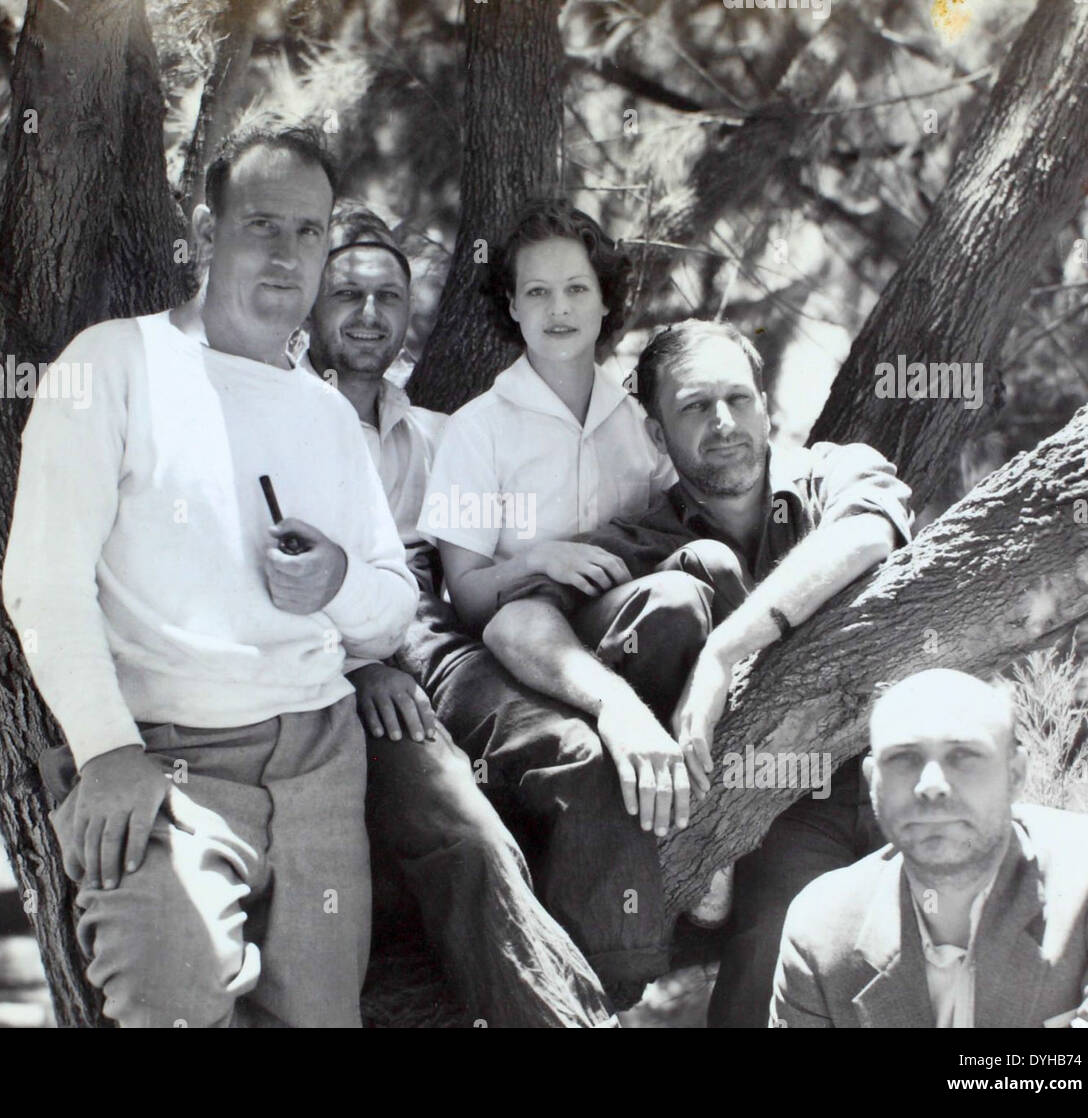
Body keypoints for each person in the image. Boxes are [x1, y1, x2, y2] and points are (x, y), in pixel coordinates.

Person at [1, 125, 417, 1028]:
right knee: (169, 1002)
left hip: (319, 764)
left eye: (309, 233)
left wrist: (337, 580)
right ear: (204, 228)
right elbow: (41, 578)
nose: (287, 255)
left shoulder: (325, 414)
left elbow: (391, 610)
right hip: (160, 766)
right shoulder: (114, 362)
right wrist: (107, 750)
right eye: (262, 225)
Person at [482, 317, 913, 1024]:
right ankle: (700, 843)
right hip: (770, 808)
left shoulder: (832, 472)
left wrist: (726, 651)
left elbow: (869, 530)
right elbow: (512, 622)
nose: (723, 422)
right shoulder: (646, 534)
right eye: (693, 407)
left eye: (738, 399)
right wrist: (615, 705)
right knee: (768, 976)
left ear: (765, 406)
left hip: (882, 764)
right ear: (656, 435)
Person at [300, 201, 615, 1026]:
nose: (370, 316)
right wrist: (359, 663)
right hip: (342, 660)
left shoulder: (443, 436)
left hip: (443, 643)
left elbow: (474, 570)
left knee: (574, 754)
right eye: (347, 295)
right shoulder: (281, 425)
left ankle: (615, 971)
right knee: (466, 838)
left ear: (412, 316)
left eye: (389, 299)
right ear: (310, 304)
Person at [399, 199, 681, 1006]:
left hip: (614, 640)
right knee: (584, 761)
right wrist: (539, 558)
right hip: (506, 657)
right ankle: (609, 987)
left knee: (679, 608)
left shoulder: (636, 421)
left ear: (605, 300)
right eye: (536, 293)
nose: (559, 310)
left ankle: (694, 825)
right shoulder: (481, 427)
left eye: (576, 290)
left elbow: (670, 536)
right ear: (510, 307)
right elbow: (467, 593)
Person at [771, 669, 1088, 1028]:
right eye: (903, 758)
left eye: (963, 756)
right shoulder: (821, 928)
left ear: (1016, 774)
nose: (931, 785)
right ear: (872, 782)